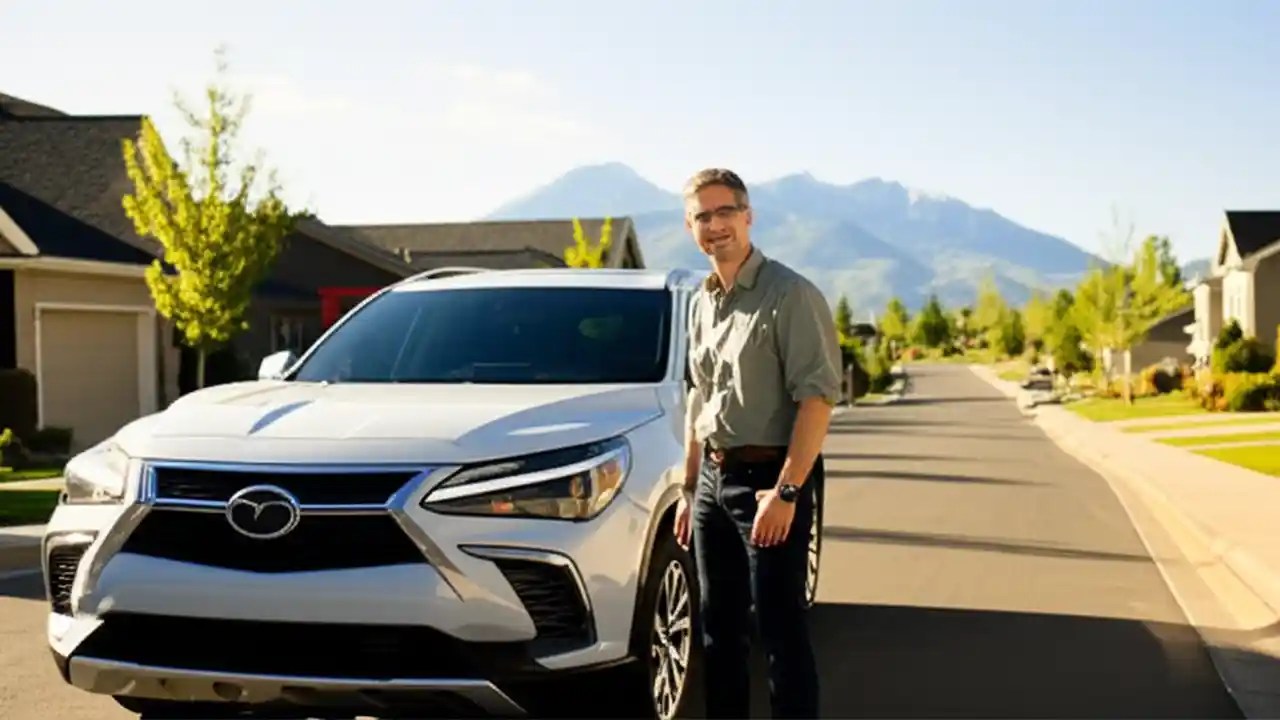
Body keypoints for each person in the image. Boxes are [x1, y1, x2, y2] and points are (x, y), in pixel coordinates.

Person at [674, 167, 842, 719]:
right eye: (703, 215)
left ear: (748, 217)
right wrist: (689, 485)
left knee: (780, 633)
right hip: (712, 488)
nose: (715, 225)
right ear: (690, 226)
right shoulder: (701, 301)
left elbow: (817, 400)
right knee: (718, 634)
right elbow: (700, 399)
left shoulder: (789, 294)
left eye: (726, 212)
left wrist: (787, 492)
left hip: (771, 482)